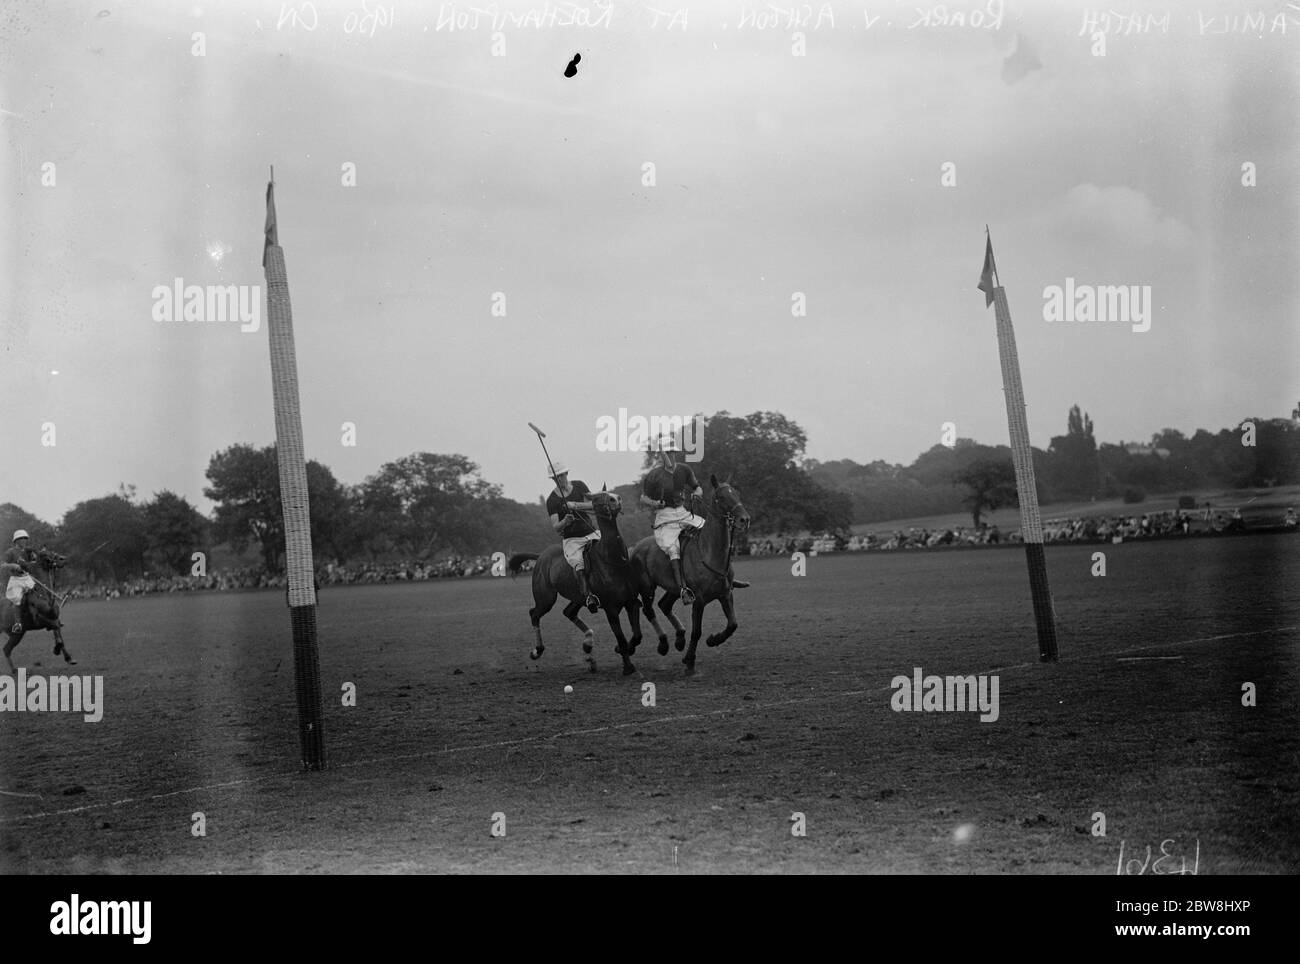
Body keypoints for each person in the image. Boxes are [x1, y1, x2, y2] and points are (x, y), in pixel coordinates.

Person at [640, 440, 706, 603]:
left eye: (672, 452)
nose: (670, 455)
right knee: (673, 548)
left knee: (707, 529)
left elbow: (697, 487)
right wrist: (655, 503)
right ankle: (683, 589)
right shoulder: (654, 474)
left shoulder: (684, 469)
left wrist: (697, 494)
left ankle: (723, 576)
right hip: (665, 515)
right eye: (667, 453)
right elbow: (643, 498)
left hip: (683, 512)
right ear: (662, 455)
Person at [545, 459, 601, 613]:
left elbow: (594, 504)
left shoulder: (579, 486)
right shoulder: (552, 501)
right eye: (556, 477)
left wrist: (576, 505)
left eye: (562, 475)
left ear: (567, 474)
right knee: (578, 562)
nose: (559, 479)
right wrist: (565, 521)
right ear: (552, 479)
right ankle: (588, 596)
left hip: (591, 532)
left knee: (610, 549)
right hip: (572, 540)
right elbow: (556, 527)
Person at [3, 530, 39, 634]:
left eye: (25, 538)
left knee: (39, 593)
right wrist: (12, 565)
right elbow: (2, 565)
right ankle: (18, 624)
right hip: (16, 579)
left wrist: (34, 560)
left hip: (27, 577)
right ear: (16, 540)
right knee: (17, 598)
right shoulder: (10, 552)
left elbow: (33, 564)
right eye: (22, 538)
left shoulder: (28, 551)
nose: (24, 540)